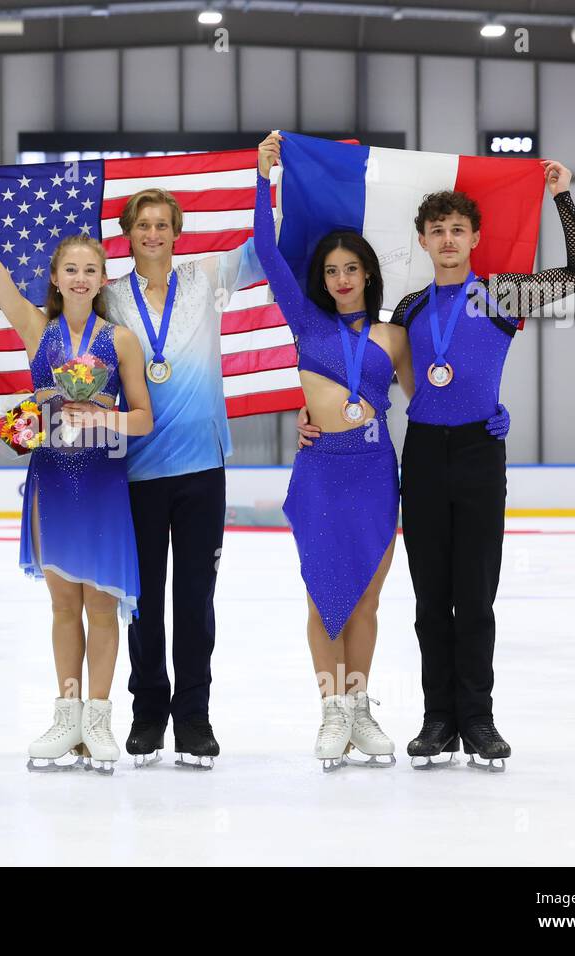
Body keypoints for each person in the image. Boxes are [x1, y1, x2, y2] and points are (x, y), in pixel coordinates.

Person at [299, 158, 575, 772]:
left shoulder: (502, 295)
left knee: (476, 598)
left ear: (475, 238)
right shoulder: (408, 309)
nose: (448, 239)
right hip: (425, 454)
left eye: (458, 229)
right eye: (437, 230)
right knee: (431, 599)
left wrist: (562, 199)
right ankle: (438, 721)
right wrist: (314, 418)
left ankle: (479, 721)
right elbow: (374, 377)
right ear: (423, 241)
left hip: (479, 452)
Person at [0, 159, 154, 775]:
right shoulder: (36, 329)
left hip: (102, 482)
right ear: (55, 276)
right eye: (70, 269)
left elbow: (143, 420)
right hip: (50, 482)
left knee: (101, 607)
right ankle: (66, 715)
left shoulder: (120, 340)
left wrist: (96, 416)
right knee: (60, 607)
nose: (80, 278)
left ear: (103, 279)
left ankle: (99, 721)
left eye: (90, 270)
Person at [253, 131, 417, 771]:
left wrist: (487, 412)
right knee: (326, 598)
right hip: (321, 470)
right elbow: (266, 250)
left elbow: (425, 401)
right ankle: (331, 713)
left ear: (369, 273)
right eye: (331, 271)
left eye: (352, 269)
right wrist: (263, 176)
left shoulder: (395, 335)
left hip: (376, 471)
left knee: (368, 600)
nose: (342, 279)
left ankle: (359, 706)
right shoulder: (307, 323)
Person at [102, 187, 263, 769]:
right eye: (142, 225)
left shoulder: (207, 279)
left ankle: (194, 715)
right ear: (129, 232)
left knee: (196, 598)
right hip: (137, 469)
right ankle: (148, 712)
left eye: (162, 225)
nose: (152, 234)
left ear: (176, 232)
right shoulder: (108, 297)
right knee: (142, 600)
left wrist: (266, 177)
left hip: (202, 467)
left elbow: (266, 247)